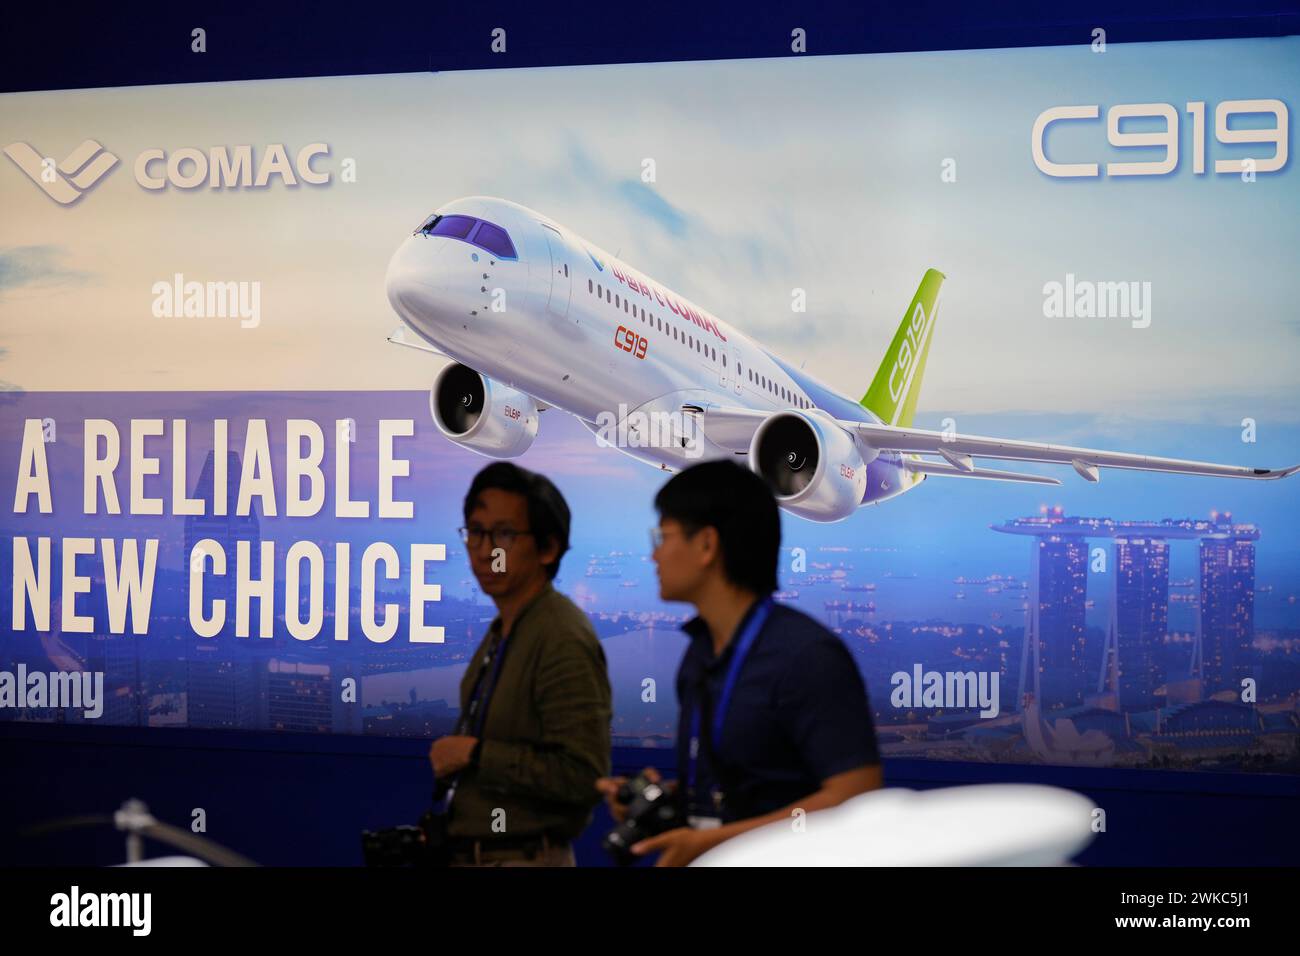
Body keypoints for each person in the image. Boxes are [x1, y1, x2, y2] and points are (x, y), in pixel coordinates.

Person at [597, 460, 883, 866]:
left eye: (663, 536)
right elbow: (746, 793)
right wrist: (668, 801)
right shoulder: (700, 656)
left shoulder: (806, 656)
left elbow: (857, 799)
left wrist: (716, 843)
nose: (655, 554)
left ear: (707, 545)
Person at [429, 462, 612, 866]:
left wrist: (475, 756)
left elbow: (581, 775)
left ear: (547, 548)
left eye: (504, 534)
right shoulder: (504, 629)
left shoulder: (560, 634)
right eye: (475, 532)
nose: (483, 549)